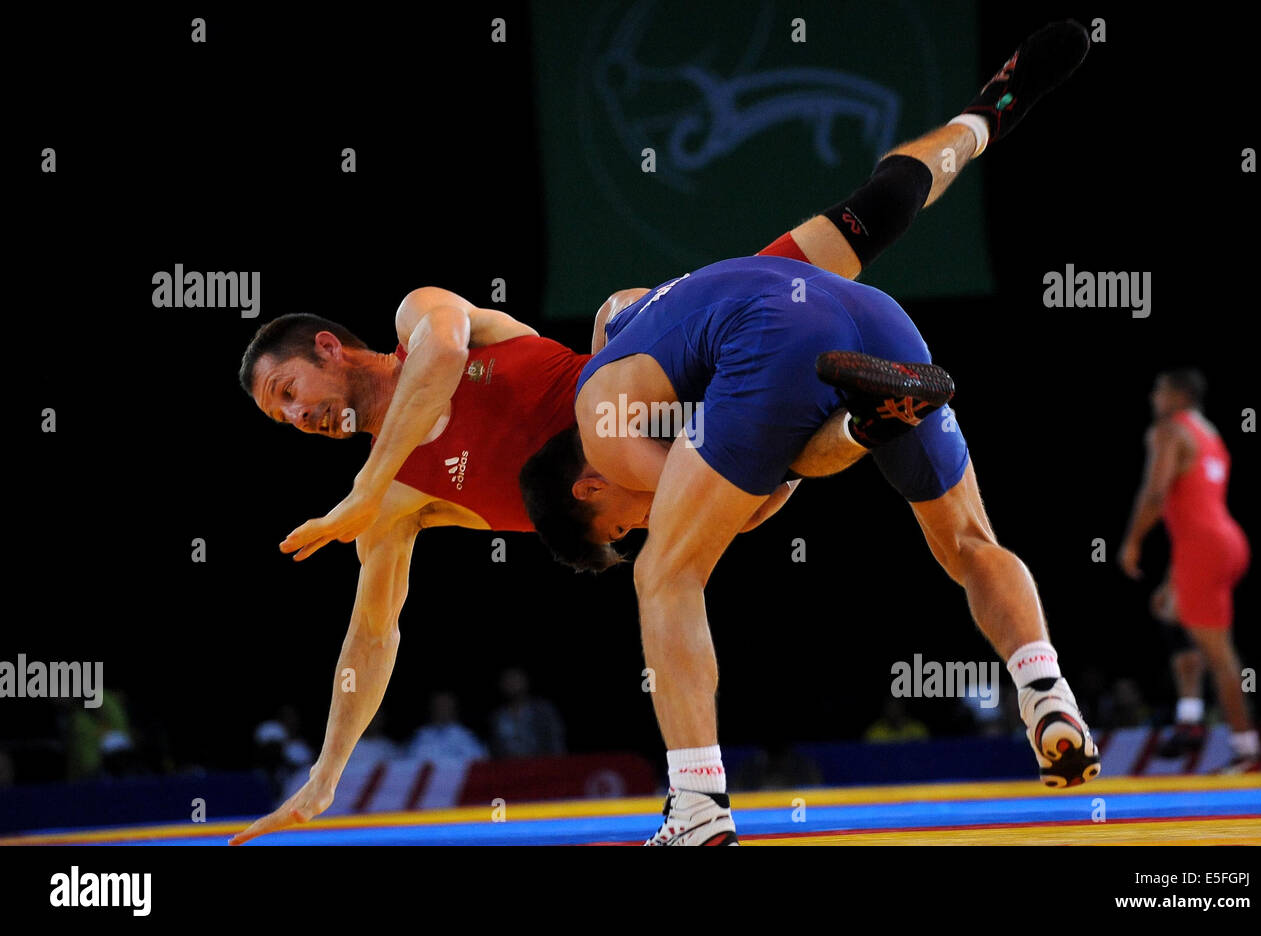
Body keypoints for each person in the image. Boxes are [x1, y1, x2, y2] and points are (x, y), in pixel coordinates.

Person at [230, 20, 1092, 845]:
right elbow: (373, 634)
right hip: (713, 347)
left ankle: (698, 805)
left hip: (663, 371)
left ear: (330, 348)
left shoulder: (424, 323)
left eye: (289, 390)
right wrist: (325, 777)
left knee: (681, 539)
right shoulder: (401, 503)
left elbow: (439, 362)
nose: (298, 416)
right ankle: (972, 147)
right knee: (864, 245)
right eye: (282, 419)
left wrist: (364, 488)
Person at [1120, 369, 1259, 771]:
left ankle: (1245, 748)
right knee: (1168, 609)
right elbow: (1196, 505)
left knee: (1220, 655)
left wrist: (1132, 541)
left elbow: (1156, 492)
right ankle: (1190, 718)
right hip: (1223, 542)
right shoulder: (1209, 433)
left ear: (1178, 395)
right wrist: (1172, 576)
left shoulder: (1168, 431)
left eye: (1159, 390)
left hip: (1205, 547)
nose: (1153, 397)